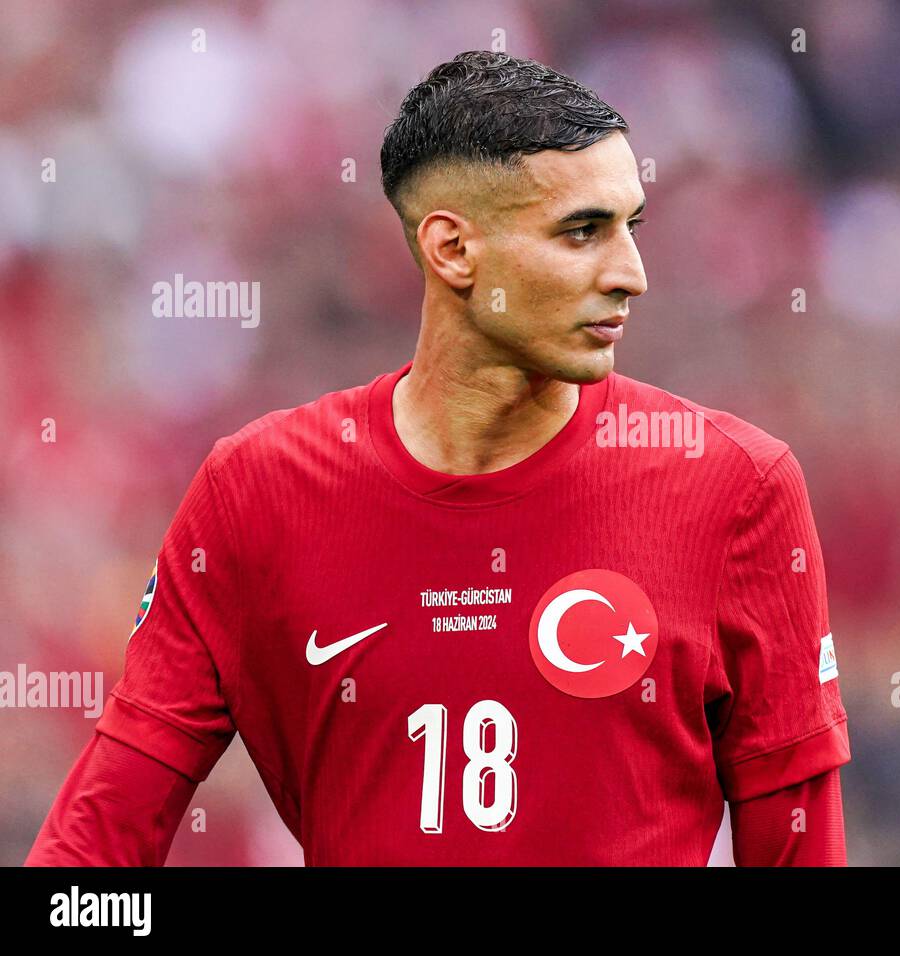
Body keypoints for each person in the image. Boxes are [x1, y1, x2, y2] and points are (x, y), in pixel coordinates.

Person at [26, 50, 850, 866]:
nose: (631, 275)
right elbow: (96, 848)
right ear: (453, 251)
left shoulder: (739, 488)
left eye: (630, 227)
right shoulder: (258, 490)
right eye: (582, 232)